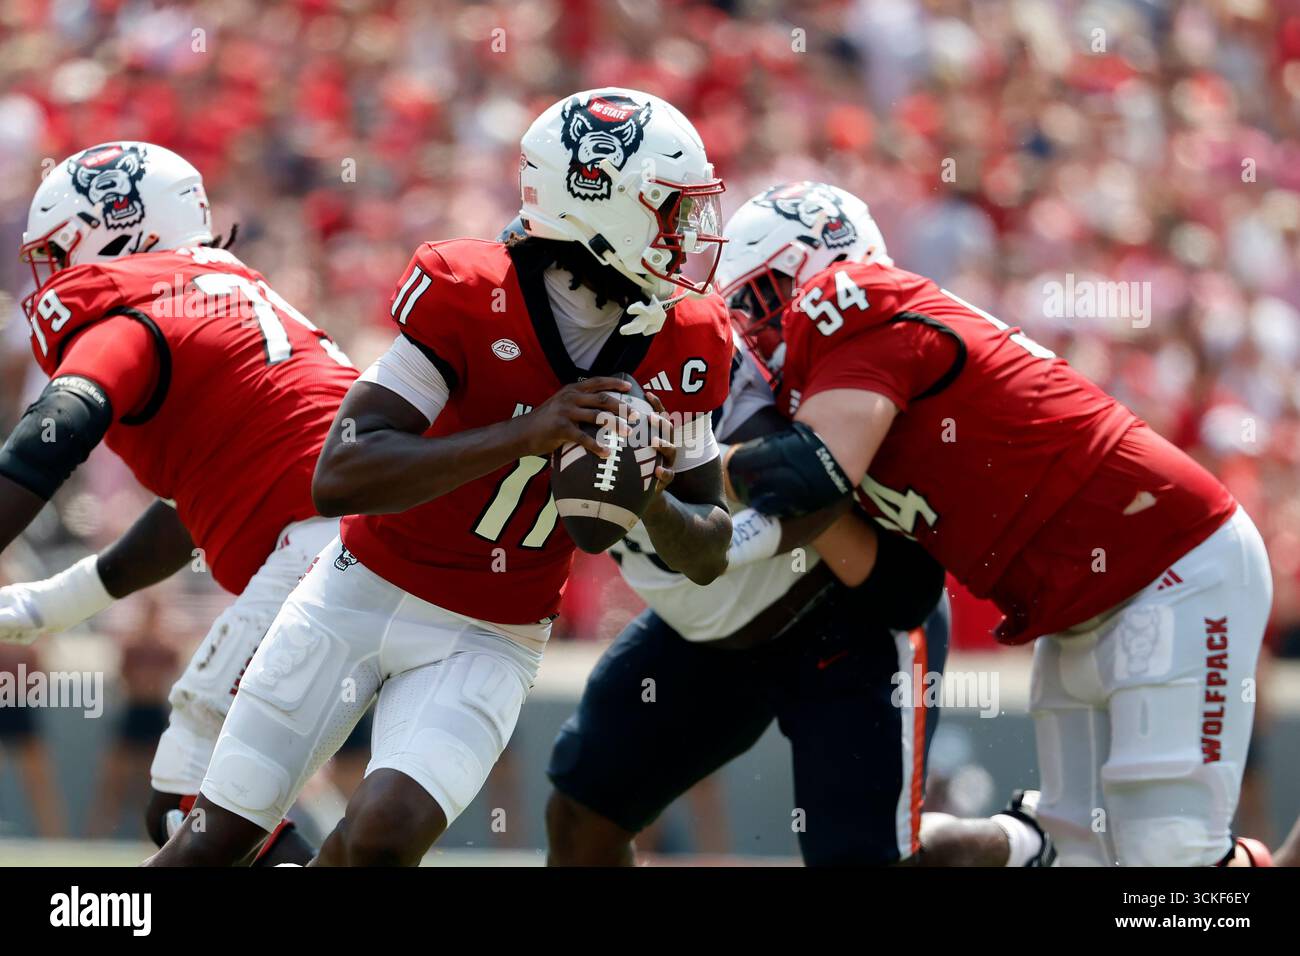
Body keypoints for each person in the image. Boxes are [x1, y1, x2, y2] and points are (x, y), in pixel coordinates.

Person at [146, 88, 735, 867]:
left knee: (385, 835)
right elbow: (343, 471)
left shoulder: (688, 340)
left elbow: (710, 548)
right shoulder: (472, 293)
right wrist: (531, 430)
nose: (686, 234)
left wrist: (649, 495)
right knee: (211, 847)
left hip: (491, 632)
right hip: (356, 592)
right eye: (668, 210)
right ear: (599, 201)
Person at [718, 180, 1273, 867]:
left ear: (818, 263)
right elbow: (901, 593)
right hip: (1076, 608)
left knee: (1170, 856)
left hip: (1167, 565)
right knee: (1087, 856)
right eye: (738, 311)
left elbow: (806, 473)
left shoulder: (849, 296)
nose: (753, 328)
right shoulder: (845, 388)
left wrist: (695, 463)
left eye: (761, 298)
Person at [546, 318, 1054, 867]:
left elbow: (815, 486)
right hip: (703, 628)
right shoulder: (531, 360)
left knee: (869, 862)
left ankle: (1024, 841)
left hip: (833, 621)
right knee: (582, 815)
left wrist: (700, 517)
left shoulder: (709, 347)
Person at [0, 142, 357, 863]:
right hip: (352, 534)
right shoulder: (225, 292)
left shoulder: (140, 316)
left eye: (61, 251)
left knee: (201, 825)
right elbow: (192, 509)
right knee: (179, 805)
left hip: (335, 549)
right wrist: (54, 604)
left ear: (119, 230)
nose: (53, 274)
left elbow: (53, 434)